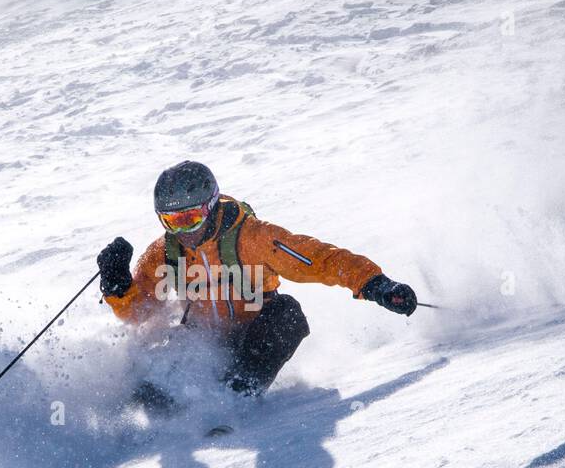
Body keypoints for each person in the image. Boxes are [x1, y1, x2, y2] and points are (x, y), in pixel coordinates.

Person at [97, 160, 417, 401]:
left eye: (191, 218)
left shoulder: (253, 238)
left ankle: (237, 395)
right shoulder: (165, 252)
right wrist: (117, 285)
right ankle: (156, 410)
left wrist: (375, 283)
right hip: (205, 346)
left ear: (210, 207)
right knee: (160, 346)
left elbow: (319, 260)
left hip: (253, 340)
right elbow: (138, 314)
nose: (184, 231)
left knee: (287, 313)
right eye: (172, 221)